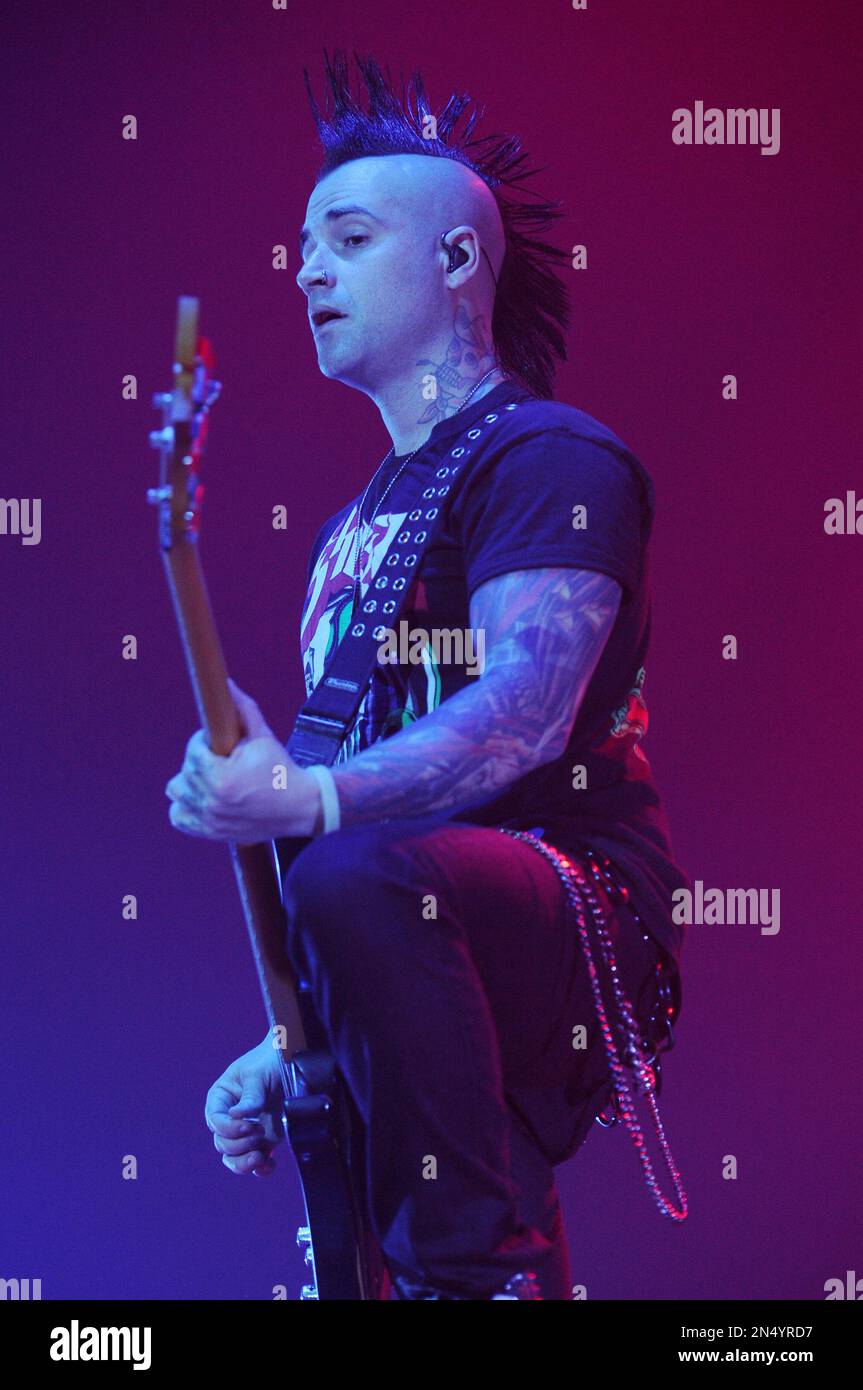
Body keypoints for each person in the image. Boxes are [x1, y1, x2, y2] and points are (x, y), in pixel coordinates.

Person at [165, 51, 691, 1300]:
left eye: (347, 238)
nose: (306, 269)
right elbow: (371, 828)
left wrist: (310, 805)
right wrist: (288, 1038)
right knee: (351, 885)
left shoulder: (548, 456)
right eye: (303, 244)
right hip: (420, 912)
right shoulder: (352, 532)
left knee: (348, 865)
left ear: (456, 263)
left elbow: (519, 711)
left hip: (580, 916)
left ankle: (470, 1283)